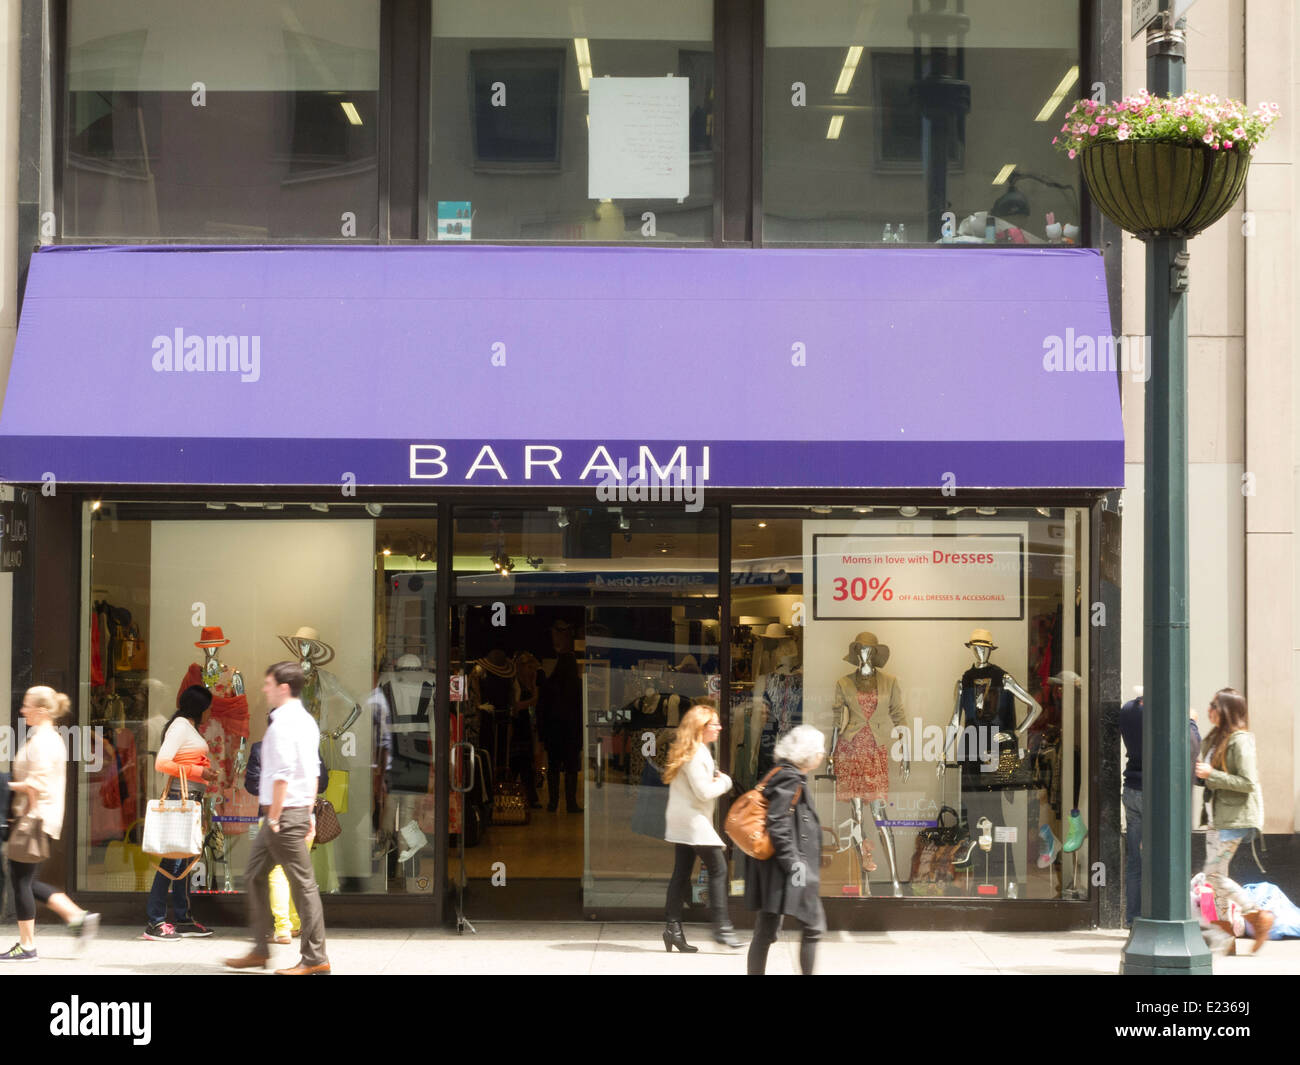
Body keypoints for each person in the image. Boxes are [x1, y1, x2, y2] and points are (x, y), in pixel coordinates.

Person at [226, 662, 330, 974]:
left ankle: (315, 958)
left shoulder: (284, 723)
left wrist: (274, 817)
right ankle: (260, 949)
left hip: (283, 814)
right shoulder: (306, 721)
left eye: (268, 684)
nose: (264, 689)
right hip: (292, 811)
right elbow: (313, 772)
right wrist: (309, 810)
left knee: (303, 885)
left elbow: (283, 775)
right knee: (255, 875)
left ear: (284, 687)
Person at [1, 687, 100, 961]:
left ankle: (28, 945)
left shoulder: (44, 741)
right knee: (27, 881)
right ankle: (78, 916)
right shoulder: (44, 738)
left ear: (42, 711)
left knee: (21, 881)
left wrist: (4, 785)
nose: (22, 710)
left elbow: (37, 783)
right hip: (35, 818)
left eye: (27, 705)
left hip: (33, 819)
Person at [1193, 687, 1273, 954]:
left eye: (1214, 705)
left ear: (1226, 710)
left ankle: (1256, 915)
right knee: (1217, 876)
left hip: (1234, 819)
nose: (1209, 710)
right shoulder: (1215, 738)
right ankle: (1225, 937)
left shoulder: (1240, 740)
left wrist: (1211, 774)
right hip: (1217, 816)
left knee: (1213, 875)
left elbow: (1248, 782)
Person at [745, 724, 827, 976]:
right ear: (807, 754)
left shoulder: (785, 773)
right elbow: (778, 823)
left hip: (779, 868)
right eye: (819, 750)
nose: (823, 754)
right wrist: (795, 865)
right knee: (812, 926)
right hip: (788, 868)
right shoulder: (789, 777)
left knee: (766, 930)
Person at [1118, 689, 1202, 927]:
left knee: (1136, 860)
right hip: (1155, 795)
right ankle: (1162, 914)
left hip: (1131, 790)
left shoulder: (1128, 710)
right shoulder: (1163, 717)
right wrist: (1192, 721)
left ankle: (1132, 919)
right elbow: (1191, 746)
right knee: (1164, 856)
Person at [661, 704, 740, 951]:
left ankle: (672, 929)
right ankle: (722, 928)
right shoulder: (696, 753)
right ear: (701, 727)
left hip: (684, 819)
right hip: (693, 821)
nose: (719, 727)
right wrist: (726, 781)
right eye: (714, 723)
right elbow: (704, 792)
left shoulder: (696, 750)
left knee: (681, 874)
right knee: (718, 869)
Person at [145, 684, 219, 940]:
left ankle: (183, 918)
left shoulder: (186, 727)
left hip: (190, 799)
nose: (210, 713)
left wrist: (203, 774)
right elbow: (162, 763)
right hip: (181, 798)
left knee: (183, 861)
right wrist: (199, 772)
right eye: (208, 708)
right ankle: (155, 921)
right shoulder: (180, 727)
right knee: (172, 861)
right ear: (200, 708)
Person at [244, 734, 329, 943]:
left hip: (272, 816)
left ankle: (283, 928)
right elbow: (323, 781)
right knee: (297, 871)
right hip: (303, 815)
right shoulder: (306, 744)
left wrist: (273, 789)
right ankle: (295, 925)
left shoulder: (259, 748)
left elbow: (251, 784)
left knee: (277, 873)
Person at [538, 619, 583, 813]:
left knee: (555, 766)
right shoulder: (574, 681)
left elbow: (543, 707)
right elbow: (578, 708)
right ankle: (570, 803)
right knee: (570, 767)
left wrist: (543, 733)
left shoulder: (550, 682)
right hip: (570, 730)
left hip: (555, 730)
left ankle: (553, 802)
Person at [511, 652, 542, 809]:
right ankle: (528, 797)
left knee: (524, 763)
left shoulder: (528, 684)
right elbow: (515, 708)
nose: (532, 671)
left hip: (526, 728)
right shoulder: (516, 684)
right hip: (518, 729)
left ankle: (527, 796)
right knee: (521, 763)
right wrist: (532, 700)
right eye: (529, 667)